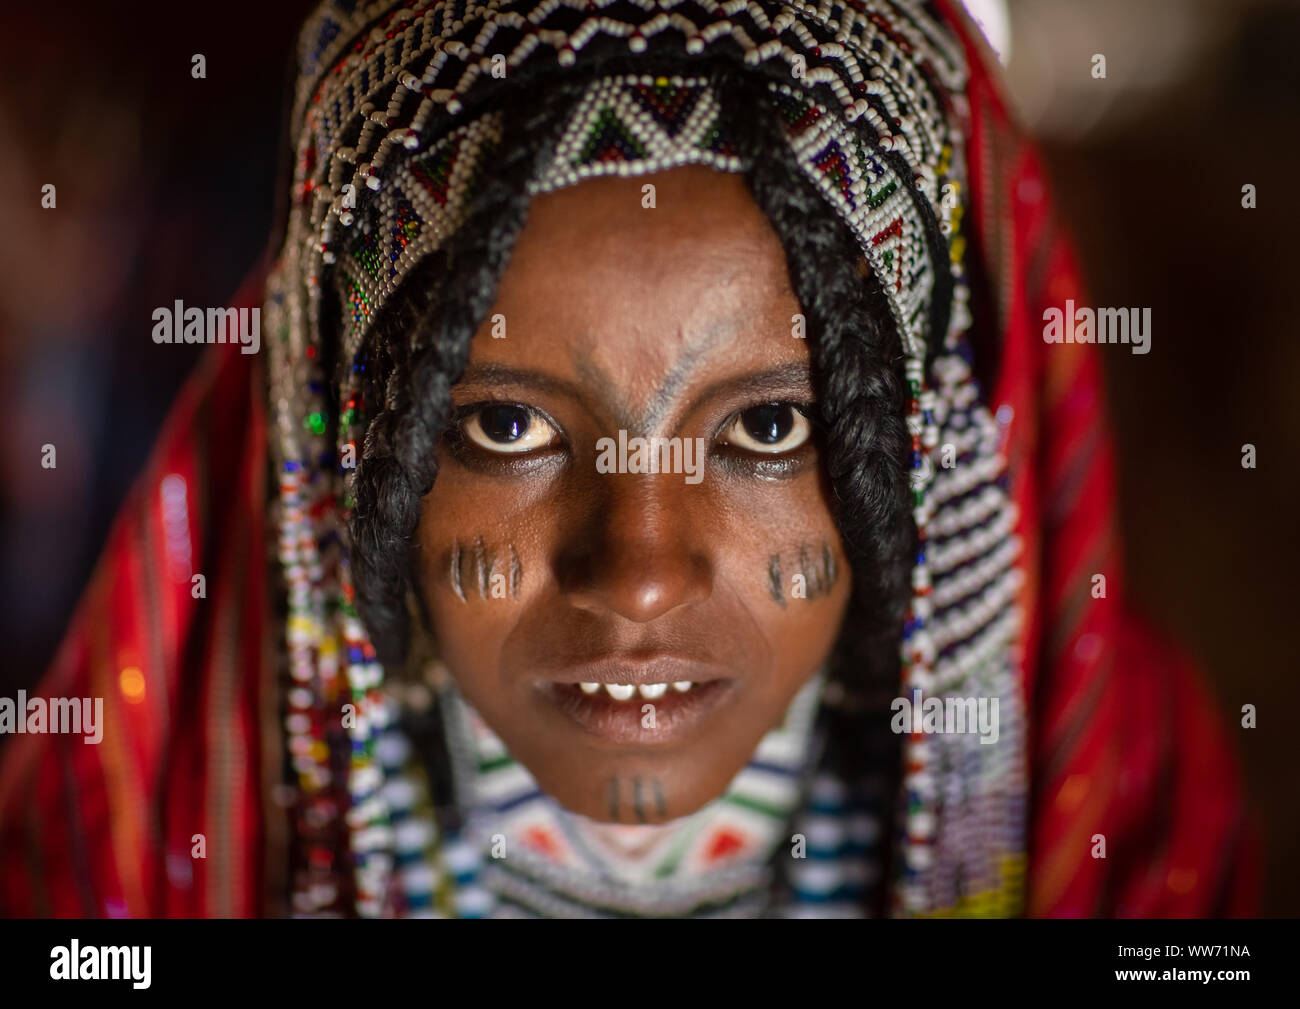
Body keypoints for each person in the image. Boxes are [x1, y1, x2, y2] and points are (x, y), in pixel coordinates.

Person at [0, 0, 1256, 918]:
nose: (642, 574)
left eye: (767, 428)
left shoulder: (1129, 829)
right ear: (348, 450)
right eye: (507, 426)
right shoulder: (117, 862)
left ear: (922, 455)